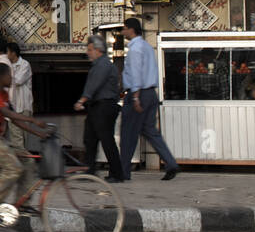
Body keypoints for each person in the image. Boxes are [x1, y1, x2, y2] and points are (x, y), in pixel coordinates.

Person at [0, 62, 49, 222]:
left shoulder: (5, 95)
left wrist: (38, 133)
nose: (11, 78)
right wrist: (33, 121)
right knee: (13, 168)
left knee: (27, 161)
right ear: (0, 78)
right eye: (9, 75)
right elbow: (7, 113)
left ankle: (22, 203)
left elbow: (15, 120)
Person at [118, 17, 179, 181]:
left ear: (131, 29)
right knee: (150, 131)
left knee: (128, 133)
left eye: (124, 28)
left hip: (138, 94)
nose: (122, 32)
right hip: (151, 93)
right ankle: (171, 163)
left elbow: (136, 73)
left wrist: (136, 97)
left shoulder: (136, 48)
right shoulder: (146, 46)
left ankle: (123, 172)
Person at [74, 35, 123, 181]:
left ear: (98, 50)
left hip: (105, 106)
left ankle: (117, 174)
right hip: (97, 106)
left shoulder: (103, 65)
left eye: (90, 50)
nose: (88, 53)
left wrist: (82, 100)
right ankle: (89, 169)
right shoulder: (98, 64)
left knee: (107, 140)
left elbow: (94, 84)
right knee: (90, 139)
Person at [5, 41, 33, 150]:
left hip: (24, 107)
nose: (6, 55)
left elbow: (18, 80)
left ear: (13, 53)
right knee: (17, 140)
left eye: (7, 52)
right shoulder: (8, 66)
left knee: (24, 139)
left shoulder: (25, 64)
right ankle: (23, 163)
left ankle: (25, 164)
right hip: (13, 109)